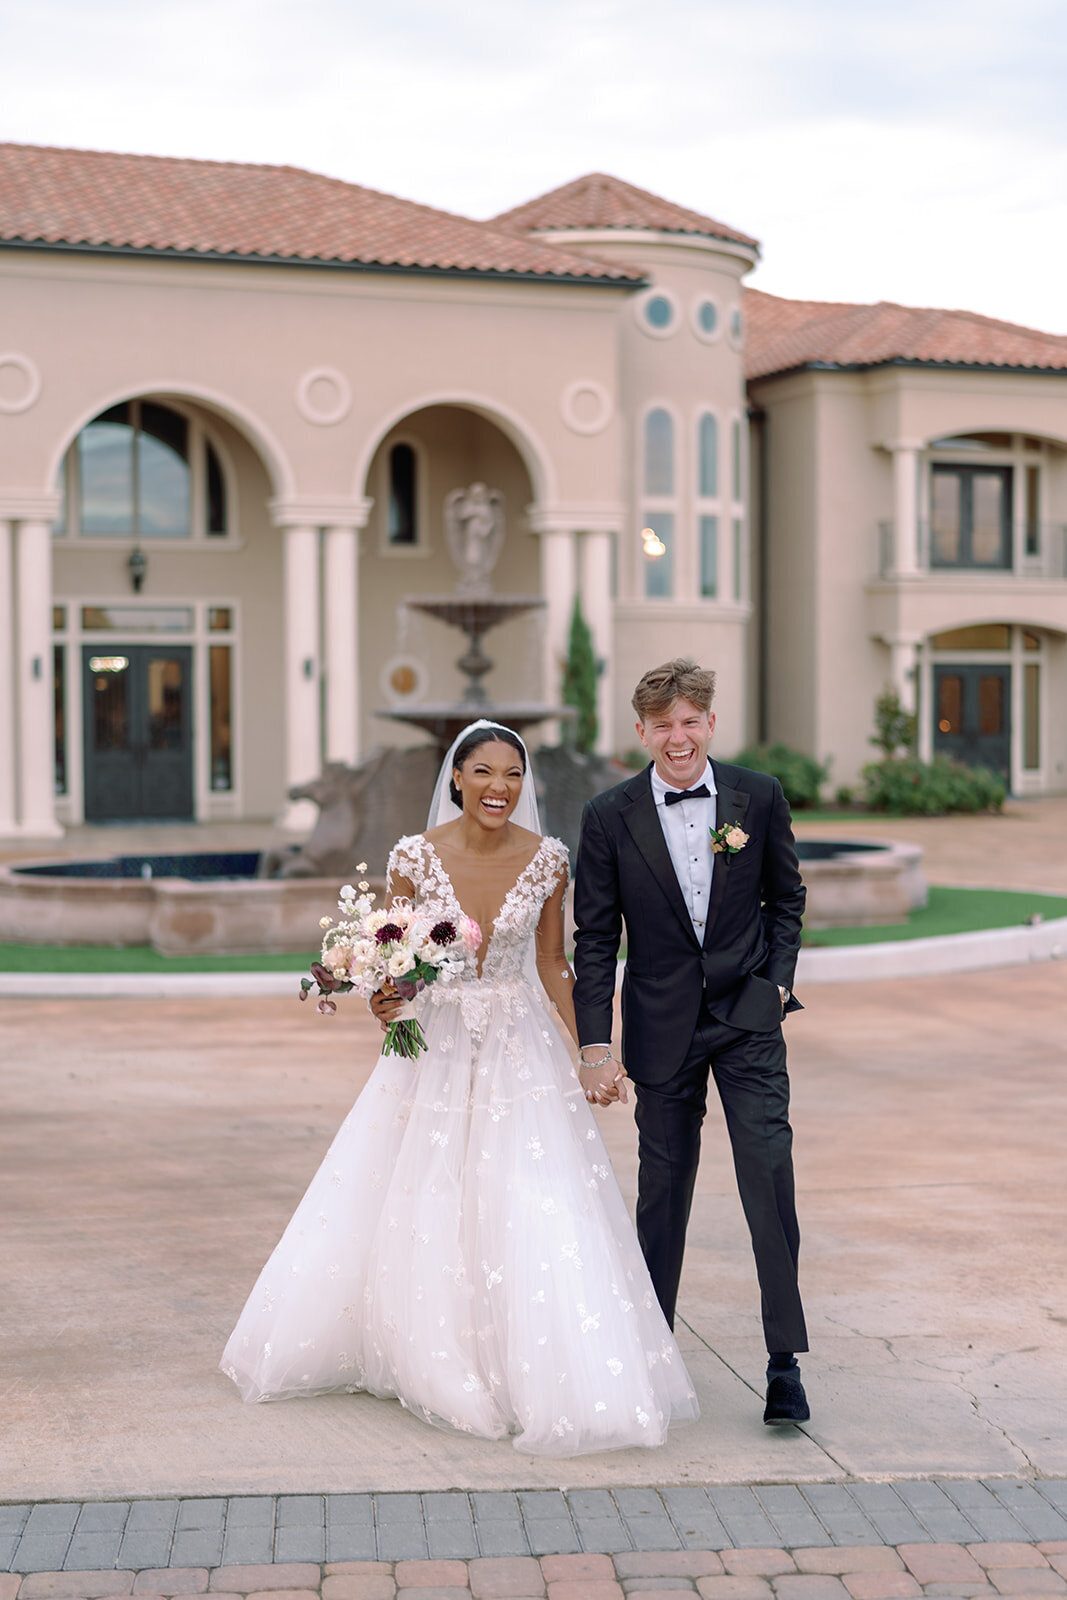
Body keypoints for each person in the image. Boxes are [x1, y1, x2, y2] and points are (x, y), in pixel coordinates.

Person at [220, 719, 698, 1456]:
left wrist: (593, 1052)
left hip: (519, 1045)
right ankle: (429, 1354)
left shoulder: (547, 860)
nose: (498, 787)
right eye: (483, 772)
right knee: (422, 1191)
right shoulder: (414, 856)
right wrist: (387, 998)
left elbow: (551, 963)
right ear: (456, 779)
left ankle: (530, 1365)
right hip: (433, 1045)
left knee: (529, 1194)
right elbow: (395, 951)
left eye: (512, 774)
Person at [572, 659, 811, 1425]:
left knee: (767, 1174)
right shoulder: (609, 816)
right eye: (661, 725)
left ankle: (783, 1362)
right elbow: (595, 938)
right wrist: (594, 1044)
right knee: (662, 1194)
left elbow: (786, 896)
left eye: (690, 721)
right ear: (640, 733)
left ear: (709, 723)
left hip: (747, 1020)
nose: (677, 738)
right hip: (659, 1026)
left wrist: (774, 984)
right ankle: (651, 1352)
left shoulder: (758, 797)